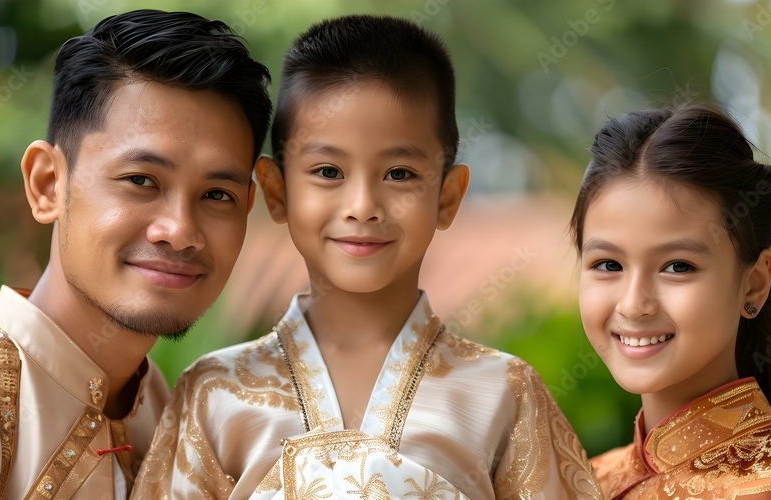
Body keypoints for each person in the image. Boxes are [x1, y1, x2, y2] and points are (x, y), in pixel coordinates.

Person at [132, 14, 602, 500]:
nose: (362, 207)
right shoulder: (214, 392)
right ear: (276, 191)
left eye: (398, 174)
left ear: (446, 196)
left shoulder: (504, 392)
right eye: (328, 171)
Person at [0, 9, 271, 499]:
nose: (180, 231)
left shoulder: (197, 427)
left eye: (216, 195)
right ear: (47, 184)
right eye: (141, 181)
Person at [571, 104, 771, 498]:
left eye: (677, 266)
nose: (633, 304)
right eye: (608, 264)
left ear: (754, 283)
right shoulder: (583, 482)